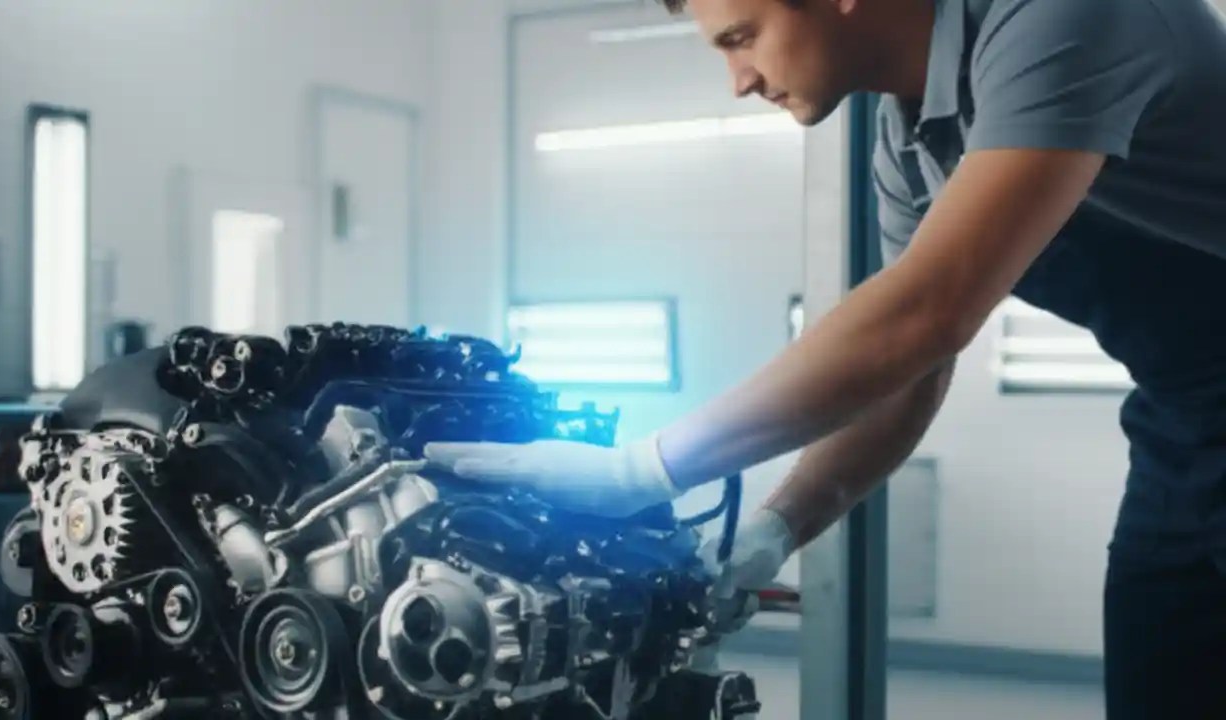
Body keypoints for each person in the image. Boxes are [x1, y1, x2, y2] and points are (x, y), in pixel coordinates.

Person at [426, 0, 1226, 716]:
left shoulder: (1064, 17)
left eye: (741, 37)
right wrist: (776, 527)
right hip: (1187, 421)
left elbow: (926, 312)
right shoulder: (912, 144)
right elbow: (908, 374)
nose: (738, 79)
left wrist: (643, 469)